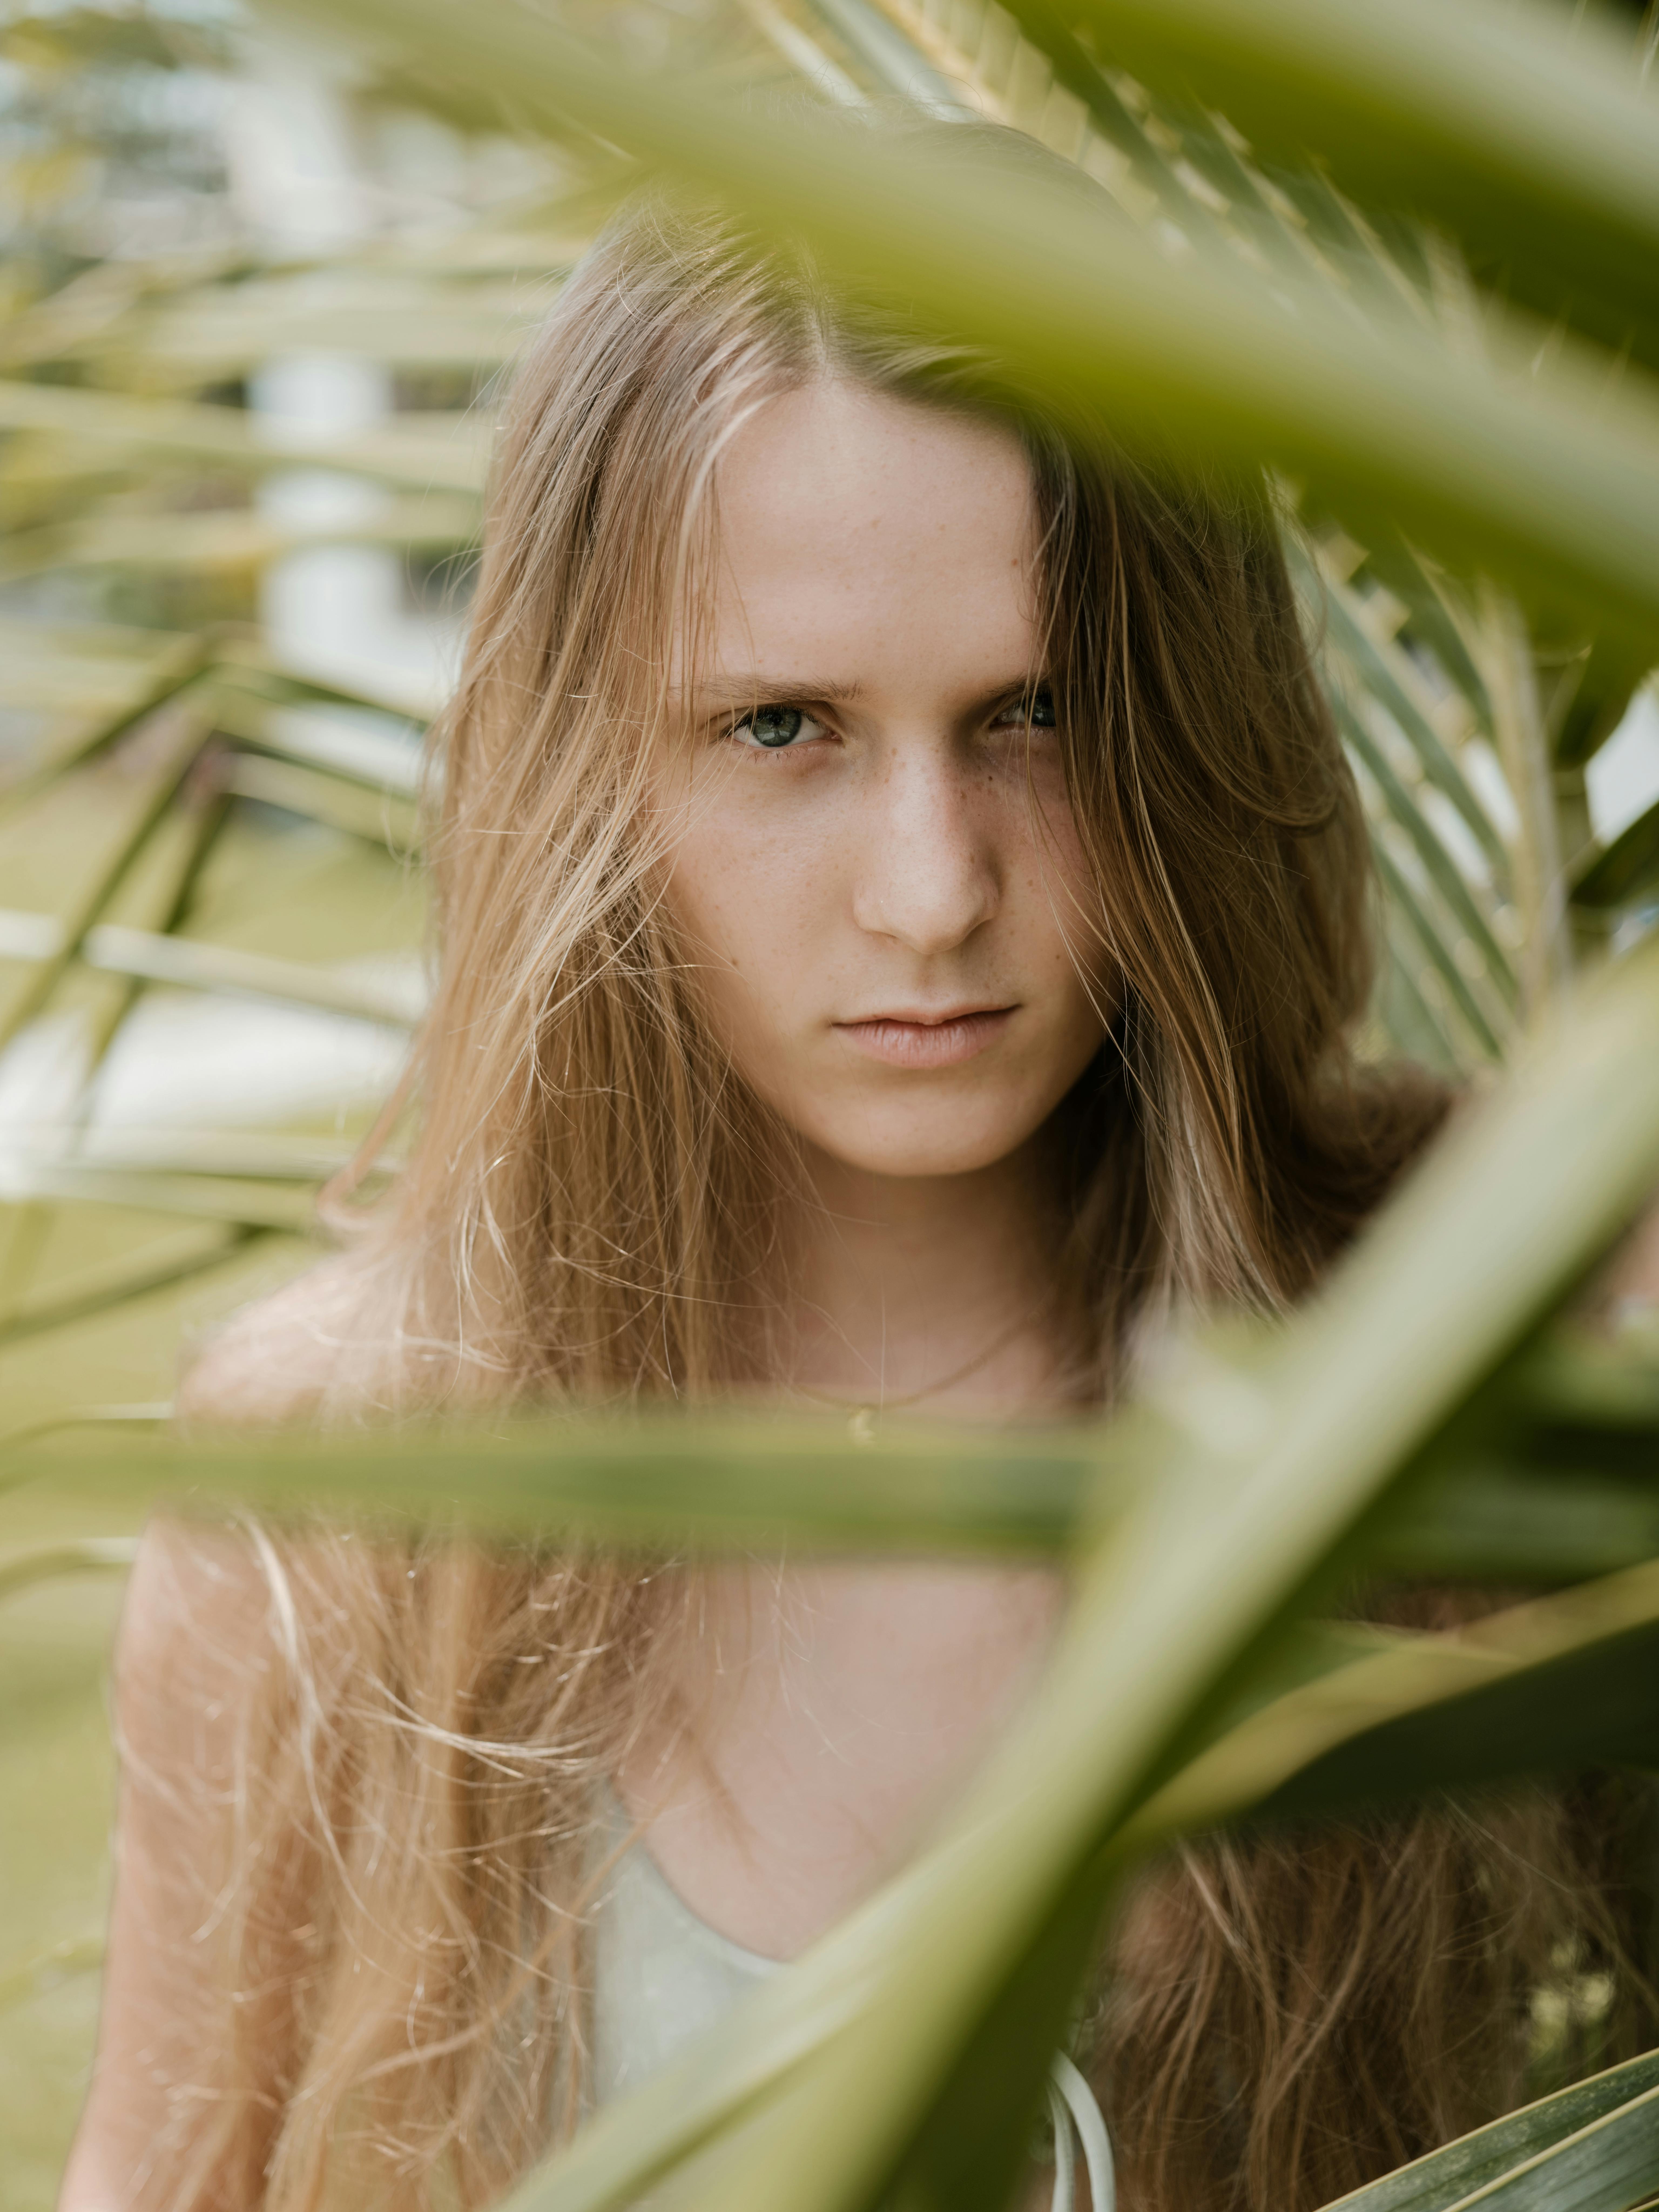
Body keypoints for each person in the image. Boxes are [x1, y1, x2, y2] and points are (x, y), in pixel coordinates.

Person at [58, 147, 1644, 2212]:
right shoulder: (347, 1497)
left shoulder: (1466, 1360)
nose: (932, 891)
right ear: (590, 769)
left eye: (1039, 713)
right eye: (787, 725)